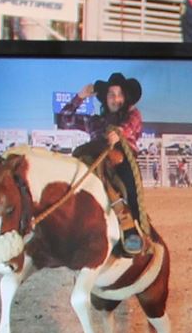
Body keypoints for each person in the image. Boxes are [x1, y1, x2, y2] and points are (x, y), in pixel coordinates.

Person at [63, 71, 150, 255]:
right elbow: (63, 120)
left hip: (120, 160)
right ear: (105, 99)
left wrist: (118, 133)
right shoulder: (95, 122)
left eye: (119, 95)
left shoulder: (132, 115)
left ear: (125, 98)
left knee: (130, 186)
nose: (116, 99)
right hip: (94, 159)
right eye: (111, 94)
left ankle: (133, 231)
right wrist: (79, 97)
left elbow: (129, 126)